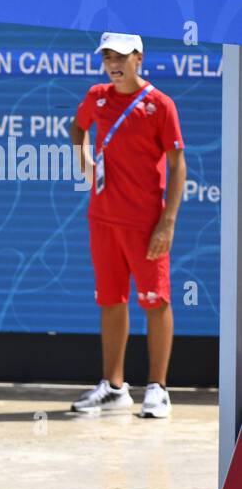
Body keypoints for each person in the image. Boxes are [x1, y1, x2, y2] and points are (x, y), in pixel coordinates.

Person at [68, 32, 186, 419]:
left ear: (138, 57)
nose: (113, 65)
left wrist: (167, 222)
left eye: (120, 56)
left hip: (145, 223)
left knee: (156, 300)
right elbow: (77, 128)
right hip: (103, 219)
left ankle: (159, 388)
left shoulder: (159, 105)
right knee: (110, 299)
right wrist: (85, 164)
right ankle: (115, 388)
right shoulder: (97, 96)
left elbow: (177, 164)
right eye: (107, 58)